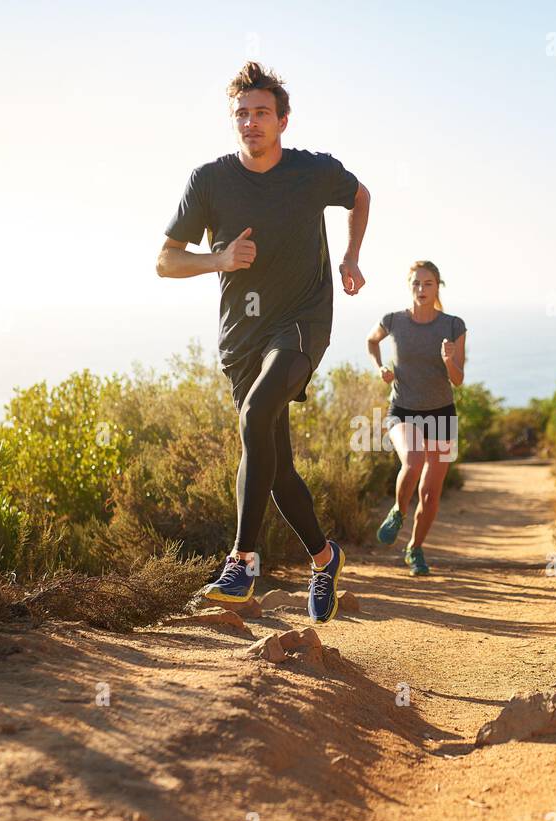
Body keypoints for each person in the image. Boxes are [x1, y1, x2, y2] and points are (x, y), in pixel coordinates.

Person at [156, 61, 371, 623]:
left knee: (255, 415)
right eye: (242, 115)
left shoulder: (312, 172)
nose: (251, 123)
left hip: (302, 322)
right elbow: (165, 260)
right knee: (274, 467)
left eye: (261, 114)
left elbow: (360, 195)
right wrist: (219, 260)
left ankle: (242, 562)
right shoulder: (209, 181)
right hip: (241, 338)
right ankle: (325, 559)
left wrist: (350, 257)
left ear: (283, 120)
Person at [365, 261, 466, 575]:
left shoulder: (453, 325)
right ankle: (398, 511)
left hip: (442, 413)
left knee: (430, 493)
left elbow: (459, 379)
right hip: (403, 410)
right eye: (416, 284)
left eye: (428, 284)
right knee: (413, 460)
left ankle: (415, 549)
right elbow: (371, 341)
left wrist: (449, 361)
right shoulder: (393, 320)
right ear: (409, 287)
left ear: (438, 287)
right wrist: (379, 367)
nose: (422, 290)